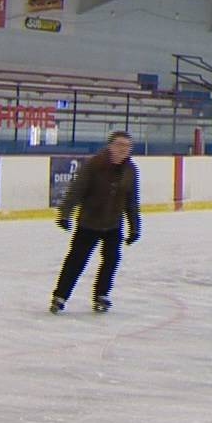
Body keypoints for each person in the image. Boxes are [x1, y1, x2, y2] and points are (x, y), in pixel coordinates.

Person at [52, 130, 140, 314]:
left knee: (111, 260)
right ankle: (60, 296)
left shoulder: (130, 170)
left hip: (113, 223)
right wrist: (64, 213)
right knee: (76, 260)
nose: (123, 150)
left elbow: (131, 201)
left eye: (127, 147)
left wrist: (134, 228)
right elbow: (77, 190)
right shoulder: (94, 164)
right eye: (119, 146)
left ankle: (101, 294)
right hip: (89, 222)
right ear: (110, 146)